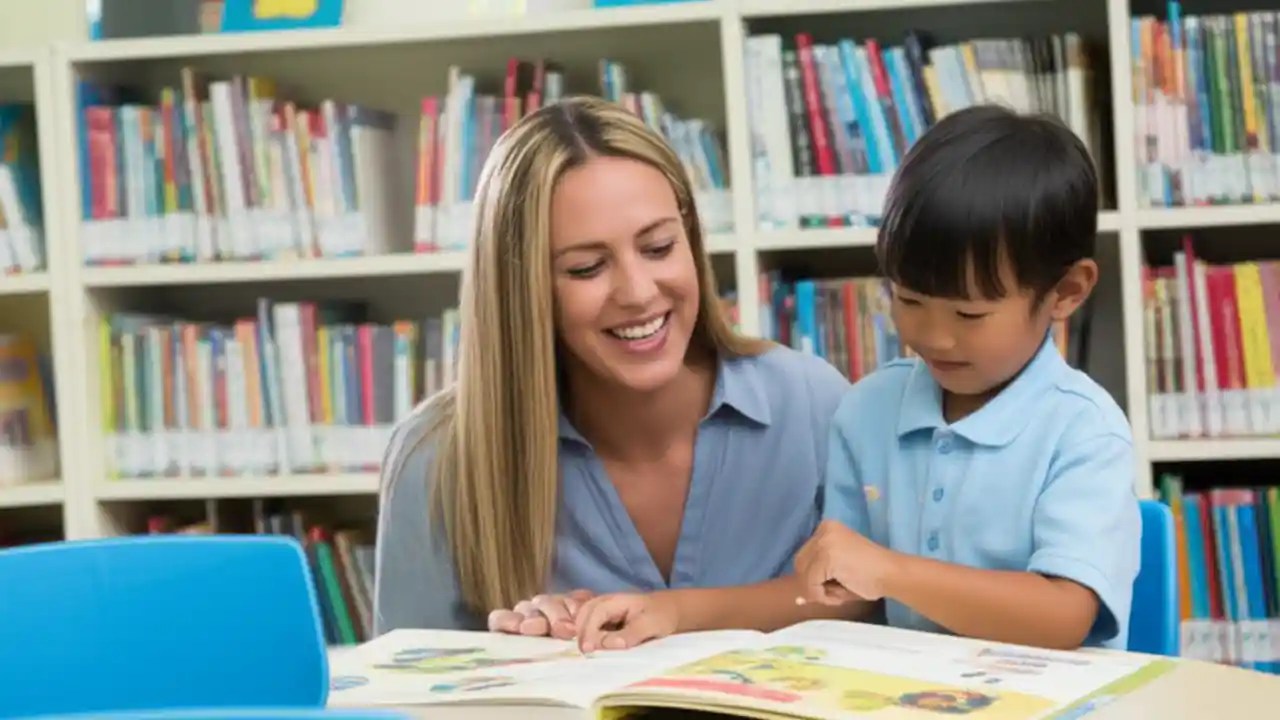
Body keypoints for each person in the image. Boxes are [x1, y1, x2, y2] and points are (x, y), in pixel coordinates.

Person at [571, 104, 1141, 653]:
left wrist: (892, 571)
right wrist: (676, 612)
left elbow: (1066, 614)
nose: (934, 337)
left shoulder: (1082, 430)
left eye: (969, 314)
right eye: (910, 300)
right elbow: (835, 595)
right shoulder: (868, 410)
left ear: (1066, 293)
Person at [373, 95, 852, 638]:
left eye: (658, 247)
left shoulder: (811, 402)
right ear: (520, 291)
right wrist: (517, 661)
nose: (639, 292)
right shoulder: (437, 458)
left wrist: (682, 615)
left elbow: (876, 604)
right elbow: (413, 690)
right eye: (586, 267)